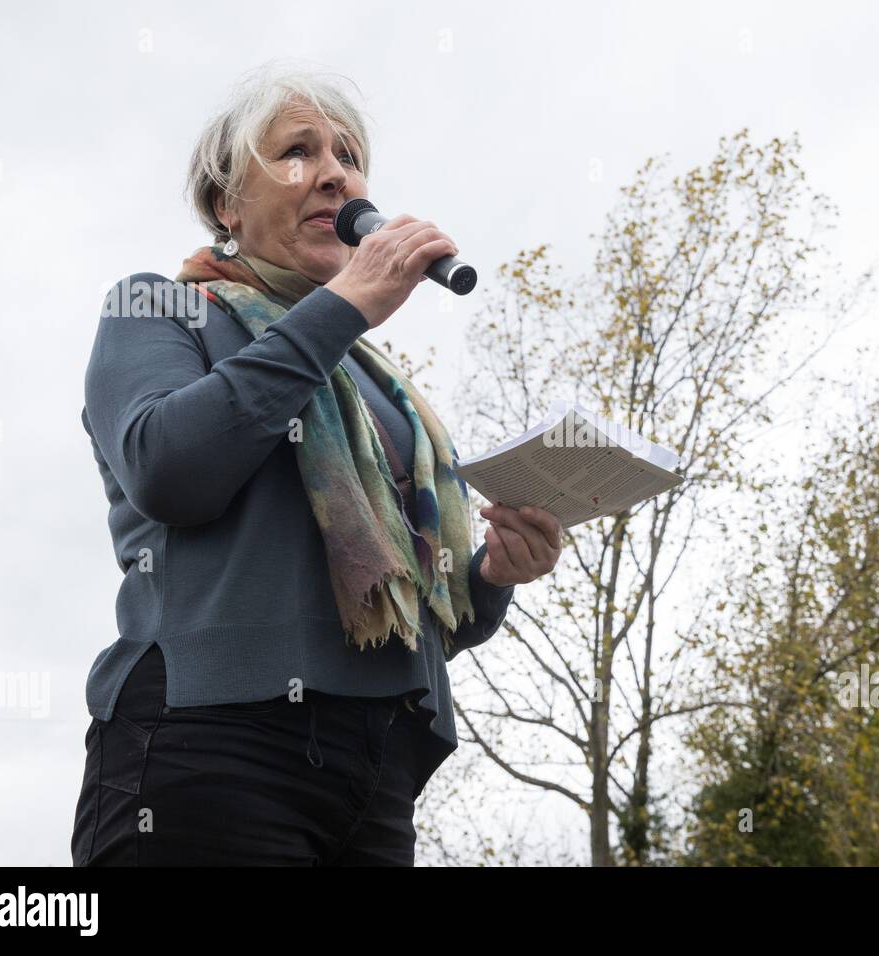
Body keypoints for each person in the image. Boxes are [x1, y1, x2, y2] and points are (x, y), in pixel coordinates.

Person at [69, 64, 562, 866]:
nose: (335, 172)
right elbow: (169, 469)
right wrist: (342, 311)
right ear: (227, 204)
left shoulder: (374, 388)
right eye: (296, 151)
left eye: (348, 154)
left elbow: (435, 620)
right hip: (208, 751)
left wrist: (497, 573)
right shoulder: (159, 308)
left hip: (379, 778)